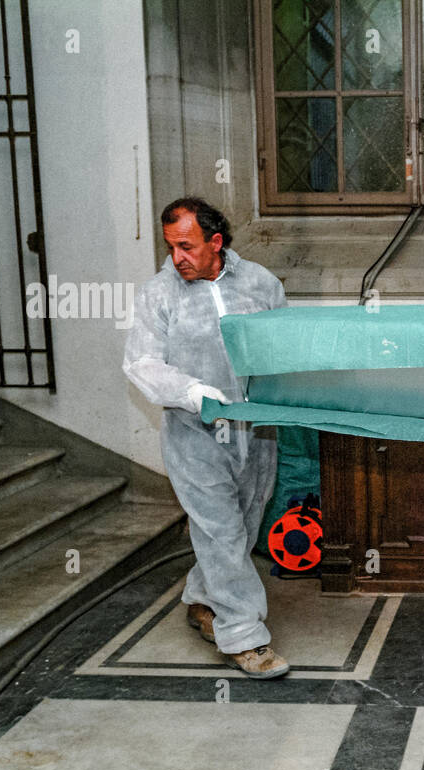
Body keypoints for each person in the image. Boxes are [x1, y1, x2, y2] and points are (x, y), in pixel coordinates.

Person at [123, 197, 291, 679]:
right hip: (194, 433)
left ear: (215, 243)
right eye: (171, 247)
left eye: (187, 246)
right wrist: (193, 392)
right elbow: (142, 363)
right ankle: (244, 636)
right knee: (220, 531)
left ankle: (202, 599)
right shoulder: (159, 295)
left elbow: (282, 343)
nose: (178, 257)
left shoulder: (260, 283)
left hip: (256, 429)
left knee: (245, 523)